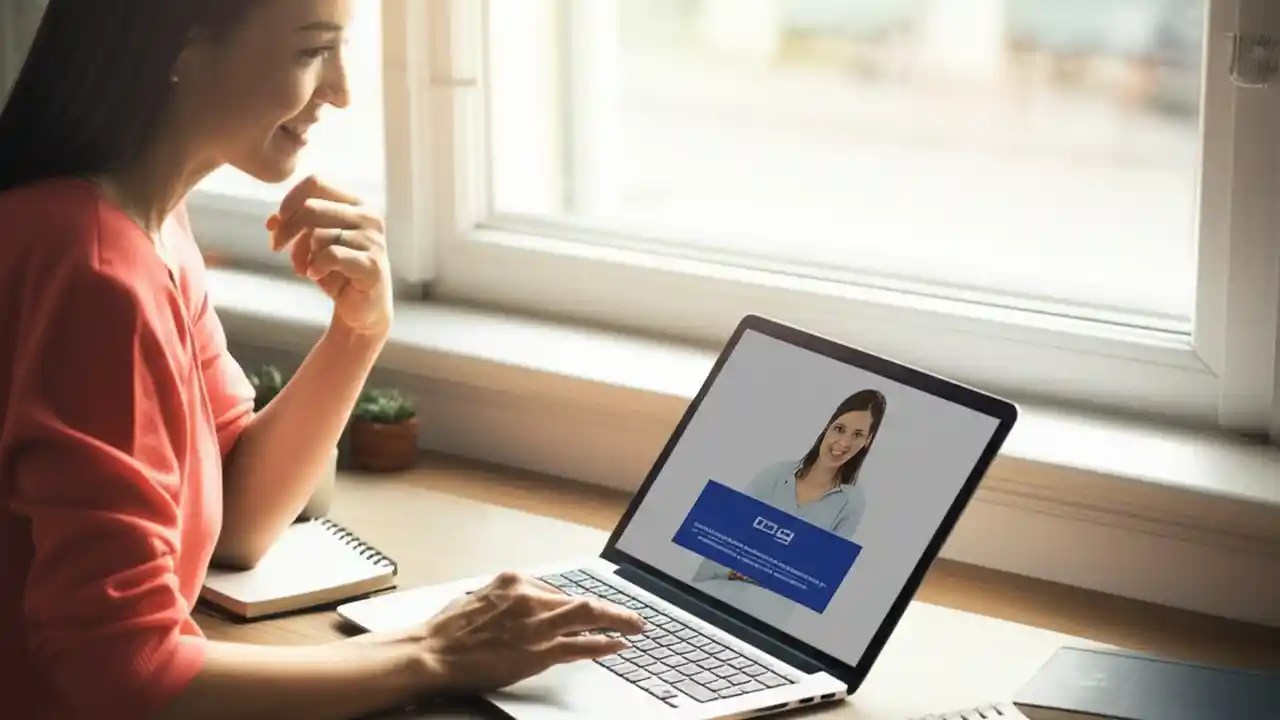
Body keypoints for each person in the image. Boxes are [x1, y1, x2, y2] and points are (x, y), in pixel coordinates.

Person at [0, 2, 642, 719]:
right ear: (180, 50)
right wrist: (428, 654)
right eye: (312, 52)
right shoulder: (90, 269)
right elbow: (122, 672)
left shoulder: (149, 226)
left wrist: (358, 333)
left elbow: (239, 517)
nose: (340, 90)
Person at [692, 389, 888, 589]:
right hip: (714, 590)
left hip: (769, 613)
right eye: (839, 429)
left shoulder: (852, 504)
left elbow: (819, 576)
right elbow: (718, 545)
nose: (844, 443)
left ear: (868, 440)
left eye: (858, 434)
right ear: (828, 427)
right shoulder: (775, 475)